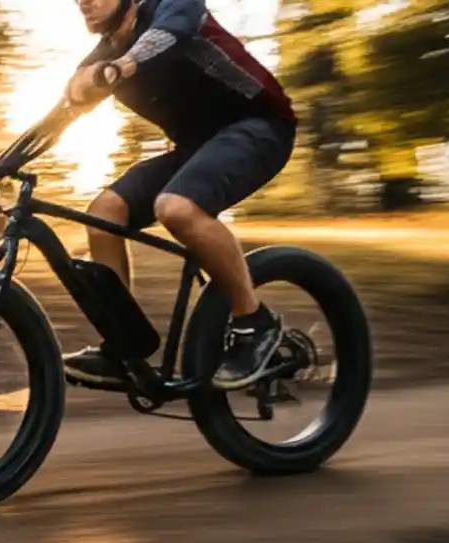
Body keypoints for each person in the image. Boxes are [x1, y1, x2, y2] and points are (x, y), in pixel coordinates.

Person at [60, 0, 297, 389]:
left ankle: (255, 324)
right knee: (102, 214)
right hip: (196, 147)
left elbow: (165, 37)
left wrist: (116, 69)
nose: (82, 1)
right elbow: (62, 112)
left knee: (177, 208)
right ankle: (125, 350)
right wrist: (3, 164)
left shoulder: (174, 6)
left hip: (259, 126)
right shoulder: (103, 54)